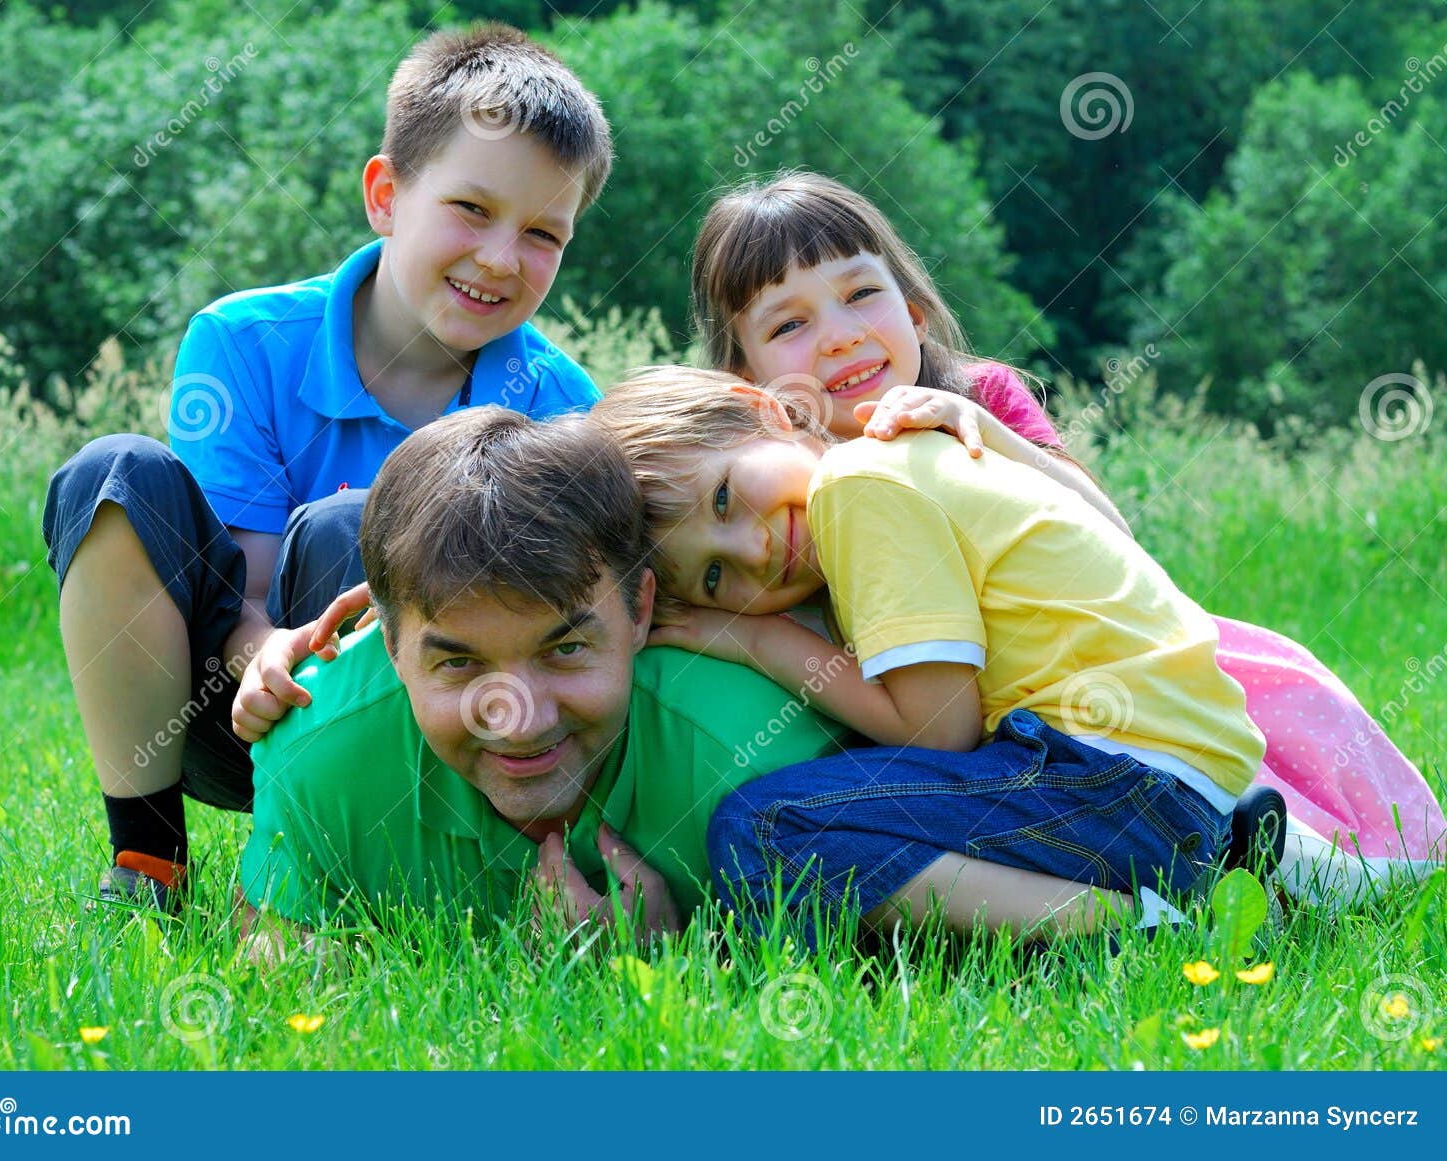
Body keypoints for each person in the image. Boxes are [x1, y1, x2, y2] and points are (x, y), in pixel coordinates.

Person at [685, 170, 1445, 891]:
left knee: (785, 824)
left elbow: (1112, 532)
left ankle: (1204, 881)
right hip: (1036, 721)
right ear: (745, 382)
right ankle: (1234, 859)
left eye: (861, 294)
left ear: (913, 311)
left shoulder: (962, 409)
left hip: (1091, 712)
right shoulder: (788, 505)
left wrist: (989, 431)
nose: (841, 336)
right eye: (790, 323)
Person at [41, 24, 613, 912]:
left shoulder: (563, 403)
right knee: (112, 477)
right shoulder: (241, 340)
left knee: (366, 524)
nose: (501, 259)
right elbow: (247, 589)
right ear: (386, 195)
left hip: (436, 721)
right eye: (470, 209)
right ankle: (147, 866)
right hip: (230, 701)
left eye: (544, 233)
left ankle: (373, 866)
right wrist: (265, 652)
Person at [587, 368, 1267, 943]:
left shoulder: (853, 489)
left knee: (763, 829)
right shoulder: (888, 472)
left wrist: (760, 640)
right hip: (1164, 774)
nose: (752, 552)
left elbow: (942, 732)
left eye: (726, 499)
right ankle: (1215, 858)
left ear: (766, 412)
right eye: (713, 577)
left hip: (1119, 777)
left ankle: (1128, 926)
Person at [235, 407, 850, 950]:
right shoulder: (317, 747)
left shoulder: (760, 757)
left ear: (641, 611)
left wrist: (689, 959)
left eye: (566, 649)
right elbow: (274, 950)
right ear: (390, 645)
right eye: (459, 663)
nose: (520, 720)